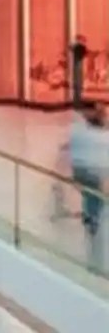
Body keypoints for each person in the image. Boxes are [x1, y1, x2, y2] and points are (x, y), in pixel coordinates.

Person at [69, 104, 109, 267]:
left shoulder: (80, 132)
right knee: (94, 197)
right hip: (93, 172)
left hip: (87, 172)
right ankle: (93, 223)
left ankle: (92, 222)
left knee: (92, 197)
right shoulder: (94, 136)